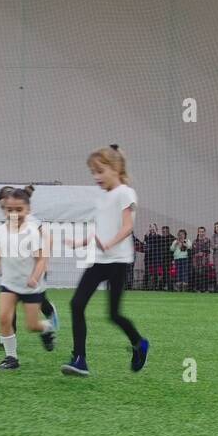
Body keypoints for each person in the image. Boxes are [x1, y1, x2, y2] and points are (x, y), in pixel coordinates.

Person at [61, 145, 149, 377]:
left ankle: (139, 343)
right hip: (99, 261)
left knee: (113, 314)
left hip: (119, 262)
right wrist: (79, 242)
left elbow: (128, 226)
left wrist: (110, 243)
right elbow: (100, 232)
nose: (96, 177)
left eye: (100, 171)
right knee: (77, 304)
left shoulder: (125, 193)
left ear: (115, 168)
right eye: (93, 172)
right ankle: (79, 359)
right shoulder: (102, 198)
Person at [0, 186, 56, 369]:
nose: (14, 213)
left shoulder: (31, 232)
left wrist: (35, 277)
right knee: (4, 319)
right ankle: (11, 358)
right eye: (9, 210)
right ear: (3, 210)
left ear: (28, 210)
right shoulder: (1, 230)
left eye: (19, 209)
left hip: (31, 286)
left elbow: (41, 259)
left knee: (32, 326)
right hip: (9, 284)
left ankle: (46, 328)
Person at [142, 224, 161, 290]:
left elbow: (159, 244)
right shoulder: (146, 236)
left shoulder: (159, 237)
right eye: (151, 228)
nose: (152, 229)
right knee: (147, 272)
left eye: (154, 228)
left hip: (155, 257)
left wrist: (156, 233)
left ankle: (155, 286)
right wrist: (146, 235)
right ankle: (145, 286)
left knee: (155, 272)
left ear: (156, 229)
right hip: (148, 257)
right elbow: (144, 244)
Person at [192, 226, 211, 292]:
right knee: (197, 274)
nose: (201, 233)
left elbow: (208, 250)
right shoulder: (195, 241)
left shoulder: (207, 240)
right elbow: (193, 251)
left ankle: (205, 289)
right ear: (198, 232)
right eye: (200, 232)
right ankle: (198, 289)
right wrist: (197, 254)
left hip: (204, 260)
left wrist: (202, 253)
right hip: (196, 260)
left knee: (205, 274)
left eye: (202, 232)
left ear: (205, 232)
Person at [159, 225, 176, 291]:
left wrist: (173, 259)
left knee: (169, 273)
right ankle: (163, 286)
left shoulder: (172, 238)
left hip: (170, 259)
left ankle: (170, 287)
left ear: (168, 231)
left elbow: (174, 249)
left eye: (165, 231)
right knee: (164, 273)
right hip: (162, 259)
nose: (164, 233)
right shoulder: (160, 238)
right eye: (163, 231)